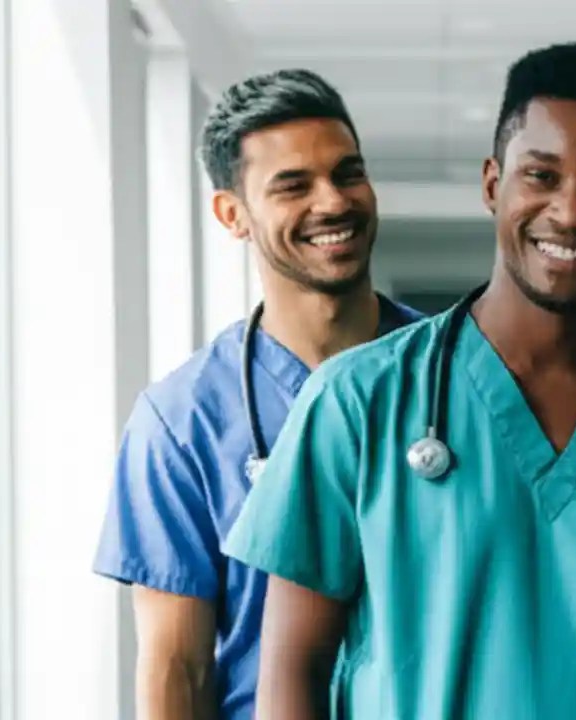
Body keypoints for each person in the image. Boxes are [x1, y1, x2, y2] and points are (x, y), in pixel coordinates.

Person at [223, 42, 576, 719]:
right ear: (494, 182)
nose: (572, 213)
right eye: (542, 176)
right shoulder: (357, 403)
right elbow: (292, 676)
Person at [91, 68, 423, 718]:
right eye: (293, 186)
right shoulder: (182, 421)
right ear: (231, 214)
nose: (333, 202)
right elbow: (175, 670)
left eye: (348, 173)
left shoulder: (457, 374)